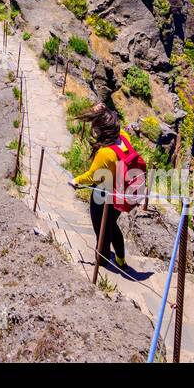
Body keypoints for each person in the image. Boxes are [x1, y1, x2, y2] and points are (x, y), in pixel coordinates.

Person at [72, 102, 130, 270]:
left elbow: (92, 176)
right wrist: (104, 111)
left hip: (103, 194)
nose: (95, 131)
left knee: (101, 228)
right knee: (112, 224)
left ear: (103, 130)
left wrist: (75, 181)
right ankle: (121, 260)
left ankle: (102, 262)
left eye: (97, 128)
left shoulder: (106, 153)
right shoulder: (124, 138)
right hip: (121, 191)